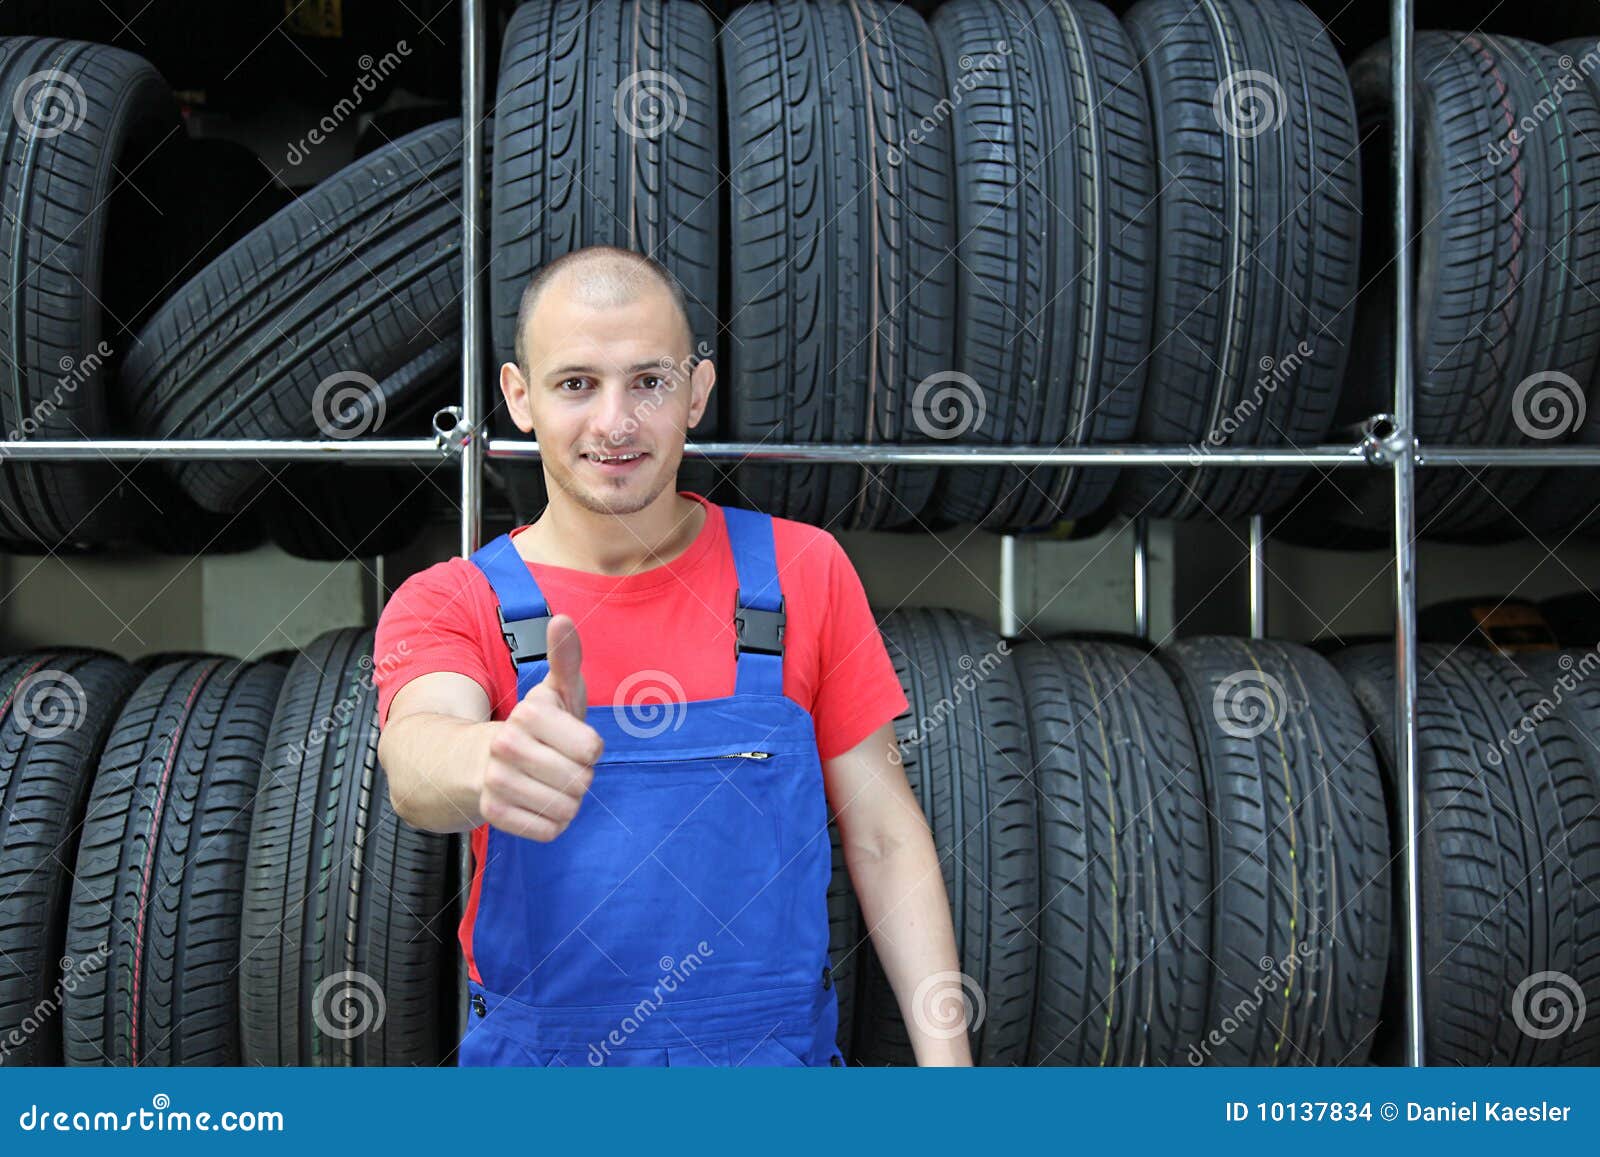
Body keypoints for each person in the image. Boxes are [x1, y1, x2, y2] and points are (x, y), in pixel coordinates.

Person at [373, 244, 971, 1067]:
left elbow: (882, 835)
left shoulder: (803, 572)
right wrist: (484, 759)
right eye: (576, 383)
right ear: (519, 397)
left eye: (648, 382)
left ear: (696, 392)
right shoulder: (453, 599)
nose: (615, 423)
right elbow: (416, 757)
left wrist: (953, 1081)